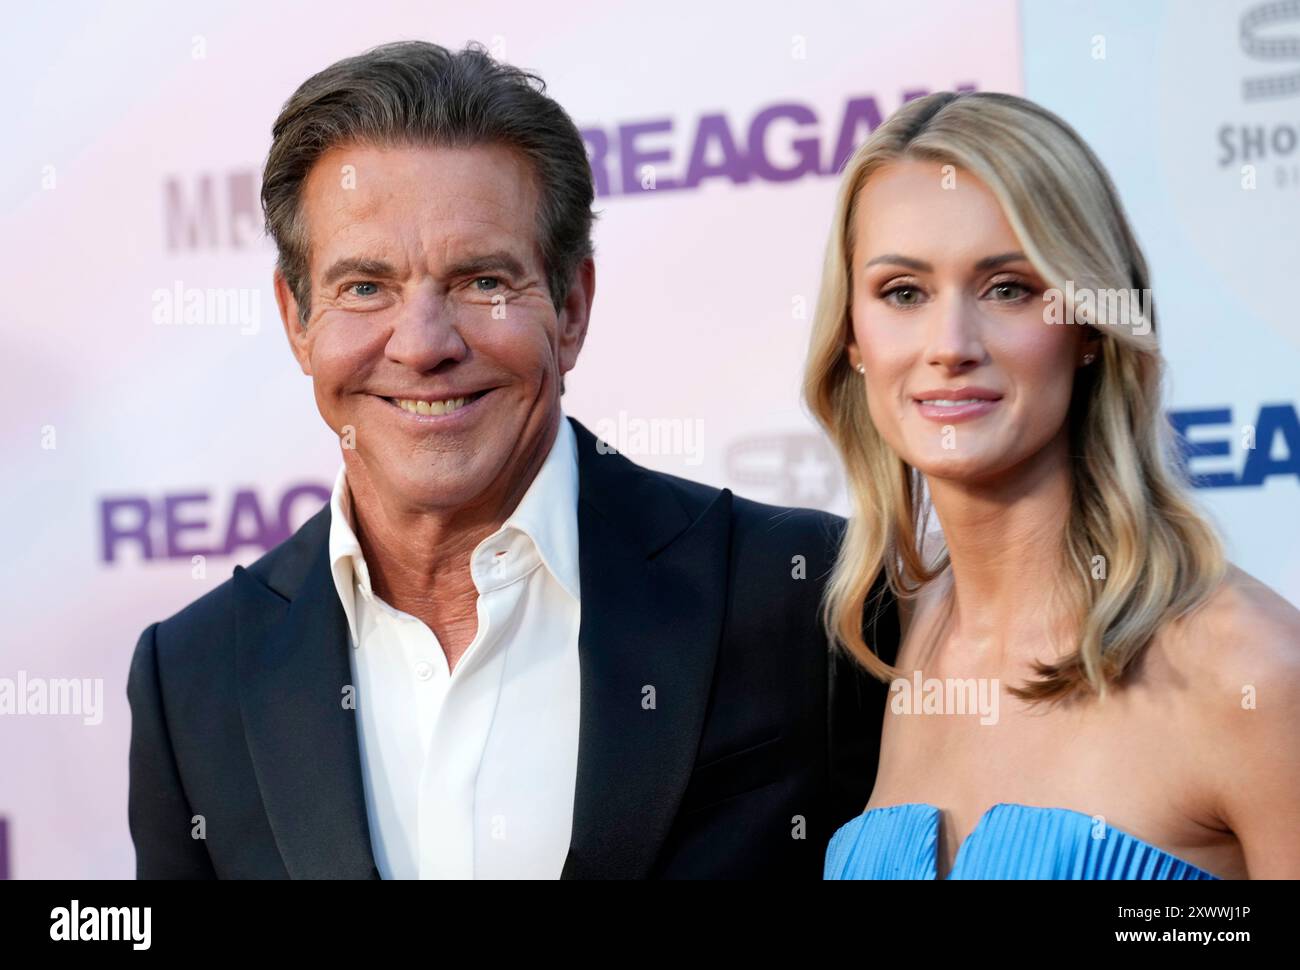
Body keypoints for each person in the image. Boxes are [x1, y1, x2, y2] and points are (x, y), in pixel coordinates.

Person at [126, 40, 897, 879]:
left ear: (571, 309)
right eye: (363, 287)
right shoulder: (192, 681)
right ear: (296, 320)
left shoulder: (807, 594)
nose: (423, 346)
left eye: (482, 282)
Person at [807, 91, 1300, 880]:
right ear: (854, 339)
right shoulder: (885, 646)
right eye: (903, 292)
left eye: (1009, 288)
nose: (950, 346)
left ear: (1091, 329)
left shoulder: (1253, 673)